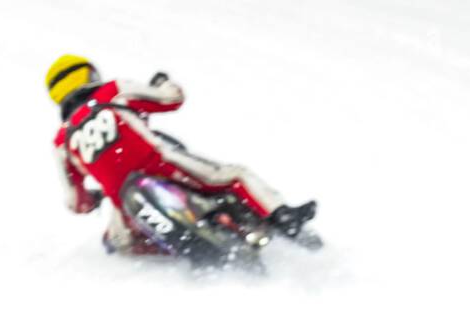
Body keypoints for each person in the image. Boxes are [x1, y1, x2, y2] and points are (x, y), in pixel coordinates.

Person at [45, 54, 316, 253]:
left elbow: (75, 202)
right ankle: (282, 217)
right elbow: (171, 99)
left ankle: (173, 272)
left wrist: (92, 198)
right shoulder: (112, 92)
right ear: (87, 75)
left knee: (117, 245)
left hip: (123, 201)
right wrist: (164, 84)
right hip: (159, 166)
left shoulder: (61, 141)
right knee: (234, 176)